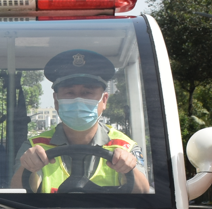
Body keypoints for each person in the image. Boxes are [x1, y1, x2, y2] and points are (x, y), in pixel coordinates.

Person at [11, 49, 151, 193]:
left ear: (104, 101)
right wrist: (28, 166)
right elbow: (16, 195)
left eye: (87, 93)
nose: (78, 100)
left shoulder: (125, 147)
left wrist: (128, 168)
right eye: (69, 93)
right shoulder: (34, 146)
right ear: (56, 101)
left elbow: (143, 194)